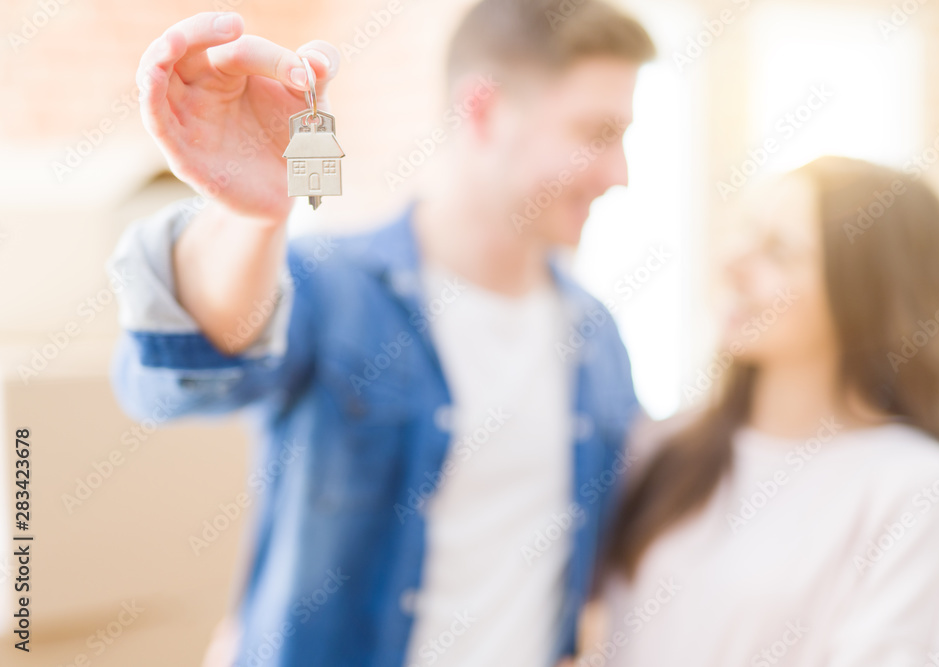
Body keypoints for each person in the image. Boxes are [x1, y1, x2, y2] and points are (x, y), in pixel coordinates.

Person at [106, 1, 655, 665]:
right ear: (483, 111)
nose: (619, 174)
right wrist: (250, 216)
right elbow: (176, 379)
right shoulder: (335, 287)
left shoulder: (597, 338)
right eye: (597, 133)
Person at [583, 157, 939, 666]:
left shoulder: (913, 483)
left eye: (779, 252)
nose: (732, 261)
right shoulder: (660, 445)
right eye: (743, 233)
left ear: (868, 288)